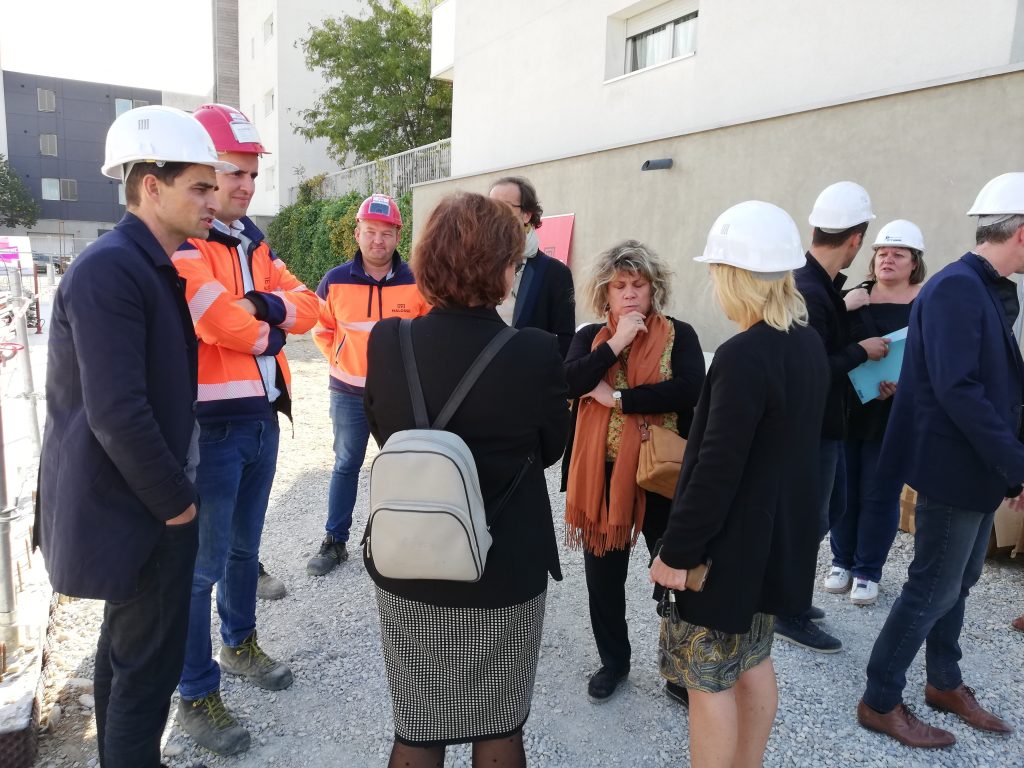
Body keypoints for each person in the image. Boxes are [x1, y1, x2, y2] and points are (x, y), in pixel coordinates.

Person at [34, 105, 235, 768]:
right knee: (145, 679)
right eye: (199, 188)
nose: (215, 200)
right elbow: (118, 412)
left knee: (128, 660)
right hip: (141, 512)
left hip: (141, 507)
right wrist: (179, 506)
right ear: (150, 185)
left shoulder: (142, 264)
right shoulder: (111, 270)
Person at [363, 192, 568, 767]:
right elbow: (551, 448)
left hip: (412, 556)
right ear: (500, 268)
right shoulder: (534, 351)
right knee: (499, 725)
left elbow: (386, 434)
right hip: (504, 562)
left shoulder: (388, 340)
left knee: (417, 729)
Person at [650, 200, 828, 768]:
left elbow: (714, 470)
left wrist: (676, 552)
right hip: (775, 545)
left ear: (734, 277)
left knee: (708, 681)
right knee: (752, 660)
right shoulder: (805, 342)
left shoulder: (743, 355)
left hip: (728, 552)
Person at [171, 104, 320, 755]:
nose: (243, 187)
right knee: (197, 570)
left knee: (241, 553)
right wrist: (268, 326)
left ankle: (238, 647)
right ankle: (196, 696)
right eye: (232, 173)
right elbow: (215, 325)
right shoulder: (185, 245)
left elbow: (311, 306)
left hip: (260, 419)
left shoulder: (254, 243)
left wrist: (261, 309)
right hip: (210, 429)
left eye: (252, 175)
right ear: (202, 172)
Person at [856, 174, 1024, 748]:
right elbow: (959, 390)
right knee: (932, 588)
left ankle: (943, 681)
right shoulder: (956, 288)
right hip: (954, 470)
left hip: (977, 470)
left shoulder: (983, 286)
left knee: (962, 580)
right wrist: (1016, 463)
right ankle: (880, 699)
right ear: (1021, 233)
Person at [562, 240, 705, 703]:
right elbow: (569, 381)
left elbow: (688, 391)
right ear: (604, 293)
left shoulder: (679, 334)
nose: (629, 294)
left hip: (663, 474)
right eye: (619, 286)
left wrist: (621, 399)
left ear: (653, 290)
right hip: (601, 478)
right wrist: (617, 344)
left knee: (673, 574)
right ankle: (614, 662)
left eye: (637, 285)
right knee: (604, 580)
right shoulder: (589, 338)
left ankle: (679, 668)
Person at [779, 180, 889, 653]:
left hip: (829, 425)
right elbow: (812, 368)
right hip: (814, 428)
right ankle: (789, 608)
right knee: (811, 518)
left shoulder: (818, 286)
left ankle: (787, 593)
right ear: (855, 239)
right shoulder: (808, 289)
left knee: (833, 508)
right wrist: (861, 352)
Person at [308, 194, 430, 576]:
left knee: (402, 465)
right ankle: (335, 540)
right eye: (371, 232)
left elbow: (428, 334)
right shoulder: (335, 281)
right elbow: (320, 328)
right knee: (346, 464)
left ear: (398, 236)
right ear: (357, 233)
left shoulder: (417, 282)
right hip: (347, 392)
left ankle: (405, 538)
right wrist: (341, 360)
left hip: (398, 393)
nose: (378, 240)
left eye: (387, 233)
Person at [826, 220, 926, 607]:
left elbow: (932, 357)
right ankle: (841, 562)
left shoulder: (926, 302)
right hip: (851, 407)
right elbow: (833, 343)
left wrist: (906, 387)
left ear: (914, 262)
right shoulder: (855, 297)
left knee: (880, 493)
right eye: (882, 252)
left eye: (898, 254)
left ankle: (868, 571)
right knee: (845, 489)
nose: (887, 259)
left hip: (896, 412)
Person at [488, 176, 577, 357]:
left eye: (503, 206)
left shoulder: (555, 273)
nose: (493, 214)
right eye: (489, 207)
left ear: (526, 215)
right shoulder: (474, 266)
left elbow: (565, 341)